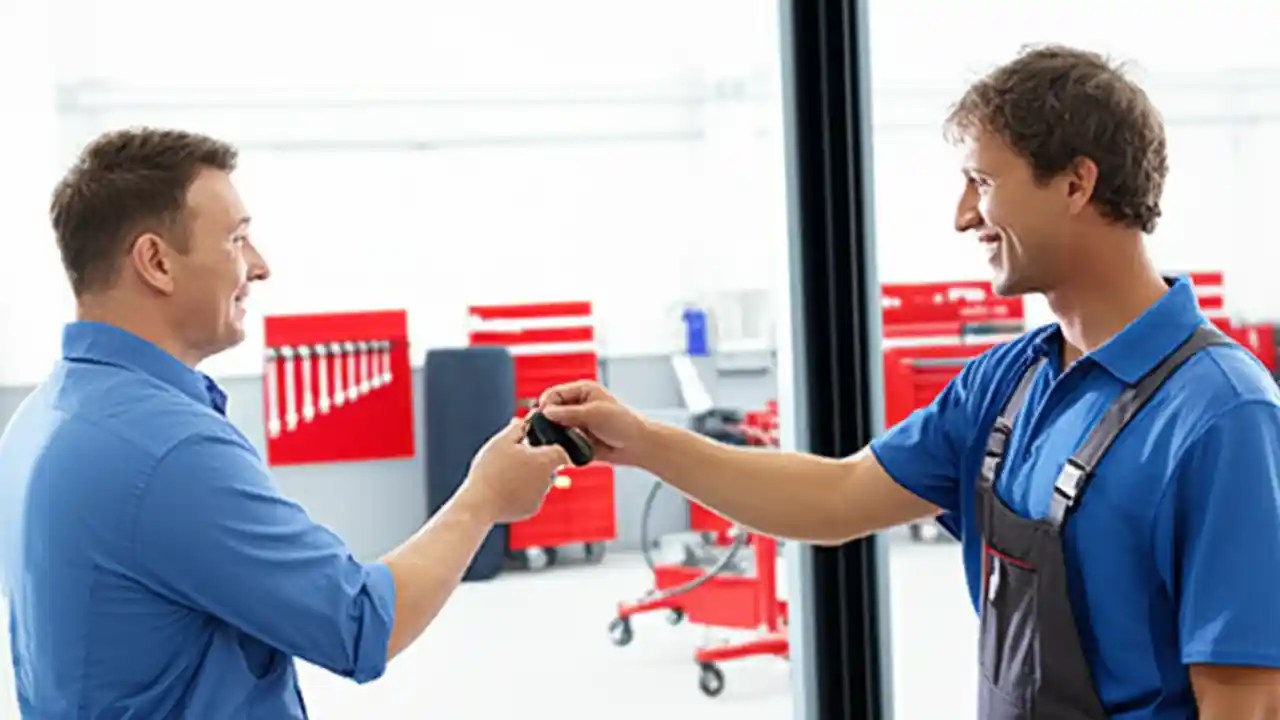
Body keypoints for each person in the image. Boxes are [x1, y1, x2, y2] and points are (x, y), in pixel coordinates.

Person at [538, 45, 1280, 718]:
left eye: (982, 182)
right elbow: (837, 497)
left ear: (1075, 183)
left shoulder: (1223, 414)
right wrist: (644, 443)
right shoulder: (1008, 384)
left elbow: (1244, 700)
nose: (963, 216)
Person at [0, 128, 570, 718]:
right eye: (236, 239)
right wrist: (483, 498)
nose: (259, 266)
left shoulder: (41, 419)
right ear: (156, 262)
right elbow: (360, 624)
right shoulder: (168, 450)